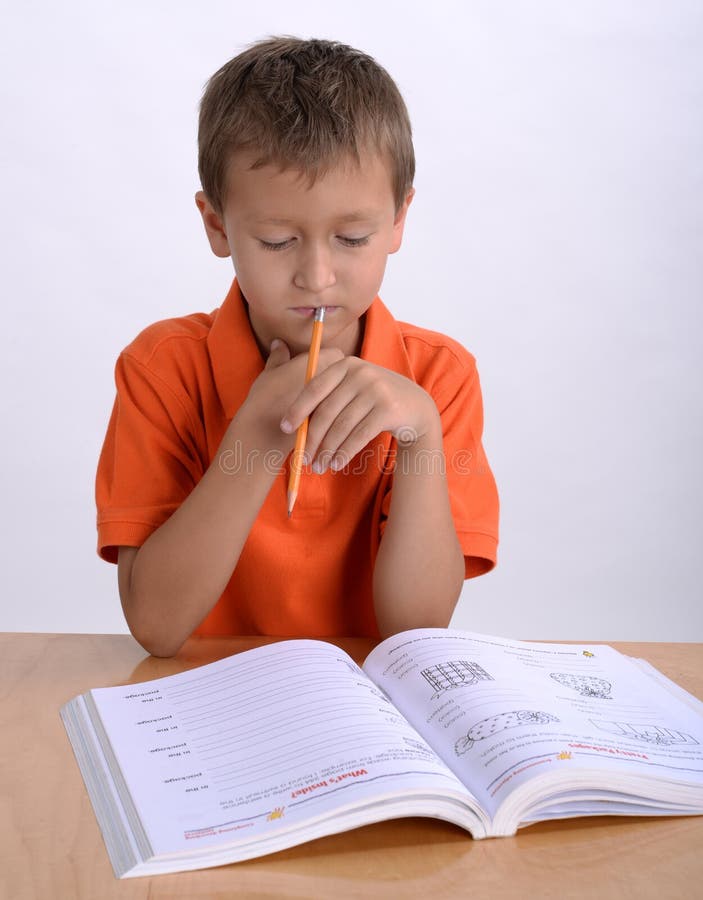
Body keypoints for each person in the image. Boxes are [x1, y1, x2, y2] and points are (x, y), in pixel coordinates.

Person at [96, 37, 499, 657]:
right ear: (217, 226)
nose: (316, 275)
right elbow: (156, 626)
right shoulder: (162, 370)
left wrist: (419, 433)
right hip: (208, 708)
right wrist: (260, 431)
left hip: (370, 717)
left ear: (397, 222)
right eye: (279, 241)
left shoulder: (438, 378)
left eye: (352, 237)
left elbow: (415, 633)